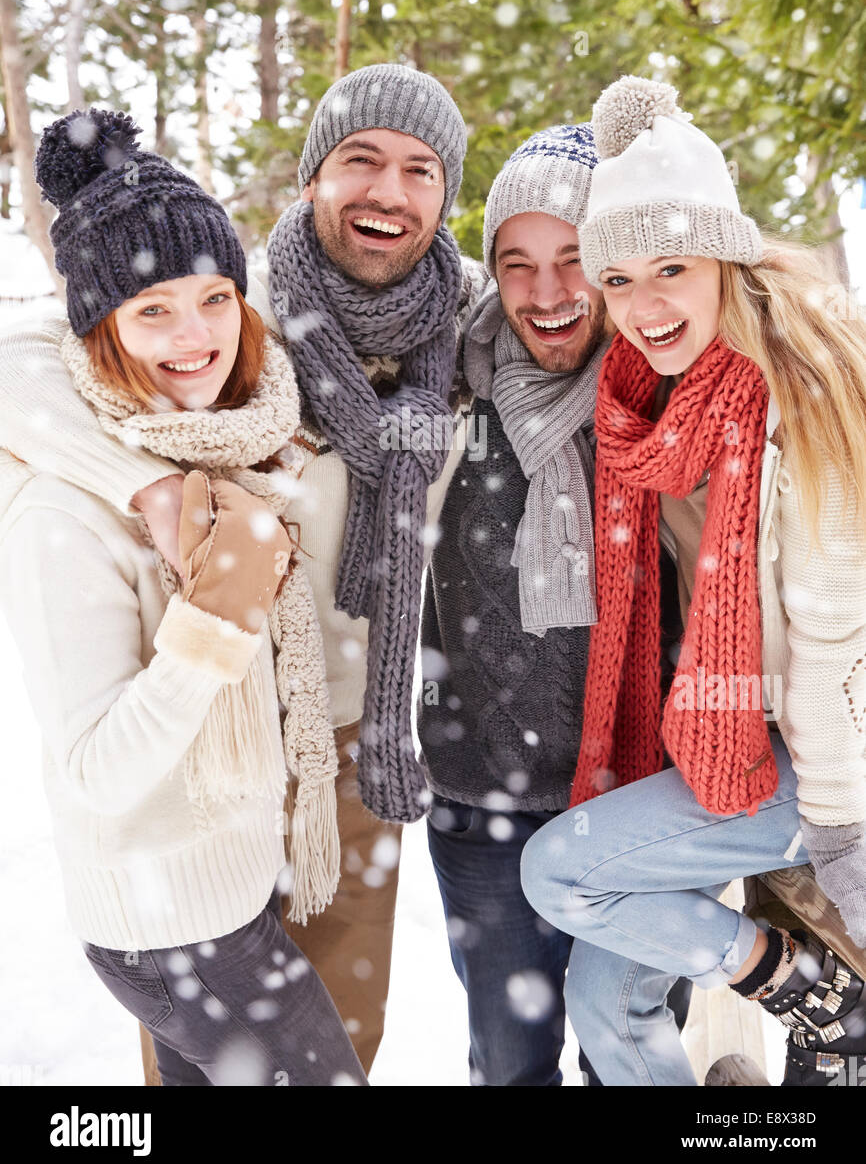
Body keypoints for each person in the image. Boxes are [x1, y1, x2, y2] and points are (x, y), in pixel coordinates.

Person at [0, 65, 484, 1078]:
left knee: (331, 1038)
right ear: (312, 178)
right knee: (206, 1048)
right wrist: (147, 485)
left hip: (353, 736)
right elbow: (24, 370)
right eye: (359, 160)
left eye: (419, 169)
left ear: (444, 196)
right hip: (198, 746)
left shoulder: (472, 322)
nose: (387, 191)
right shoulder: (230, 309)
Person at [521, 75, 866, 1087]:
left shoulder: (799, 401)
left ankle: (805, 988)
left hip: (826, 765)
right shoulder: (655, 397)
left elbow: (833, 632)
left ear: (726, 259)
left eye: (670, 266)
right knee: (601, 1001)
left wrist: (840, 835)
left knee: (561, 871)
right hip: (731, 737)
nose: (644, 303)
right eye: (617, 279)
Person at [420, 124, 691, 1085]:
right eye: (517, 263)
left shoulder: (668, 393)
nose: (546, 294)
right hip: (482, 802)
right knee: (510, 1061)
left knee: (629, 1046)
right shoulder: (446, 382)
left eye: (576, 259)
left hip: (642, 800)